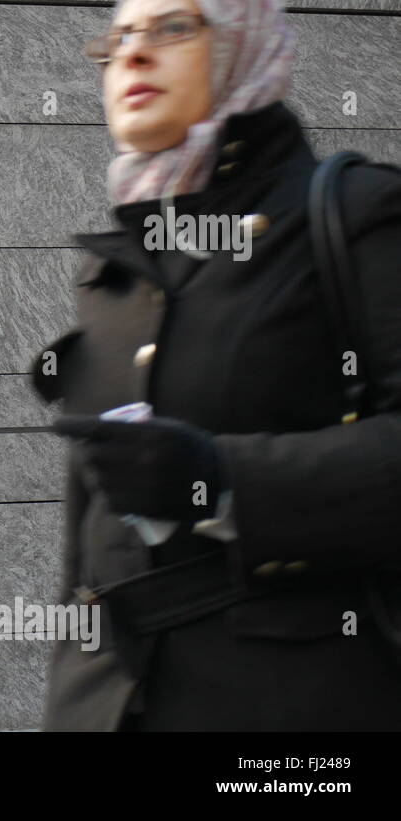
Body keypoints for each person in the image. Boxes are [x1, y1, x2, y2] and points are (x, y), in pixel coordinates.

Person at [30, 0, 401, 730]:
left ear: (241, 42)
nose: (133, 56)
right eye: (120, 37)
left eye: (173, 26)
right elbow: (89, 568)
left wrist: (222, 480)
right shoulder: (113, 271)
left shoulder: (355, 214)